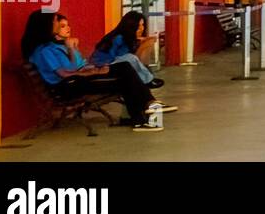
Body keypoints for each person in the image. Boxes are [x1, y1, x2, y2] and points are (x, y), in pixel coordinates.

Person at [21, 10, 170, 131]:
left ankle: (141, 114)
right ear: (45, 25)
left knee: (124, 69)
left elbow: (72, 68)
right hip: (68, 87)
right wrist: (92, 72)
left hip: (75, 81)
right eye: (55, 21)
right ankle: (145, 108)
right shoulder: (44, 51)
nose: (57, 23)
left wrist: (75, 53)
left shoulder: (54, 46)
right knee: (125, 76)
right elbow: (63, 74)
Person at [92, 10, 162, 89]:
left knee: (131, 59)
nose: (142, 28)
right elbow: (120, 55)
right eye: (138, 26)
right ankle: (147, 81)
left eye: (142, 25)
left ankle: (146, 79)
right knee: (130, 58)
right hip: (106, 64)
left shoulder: (125, 37)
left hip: (112, 61)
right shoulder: (119, 38)